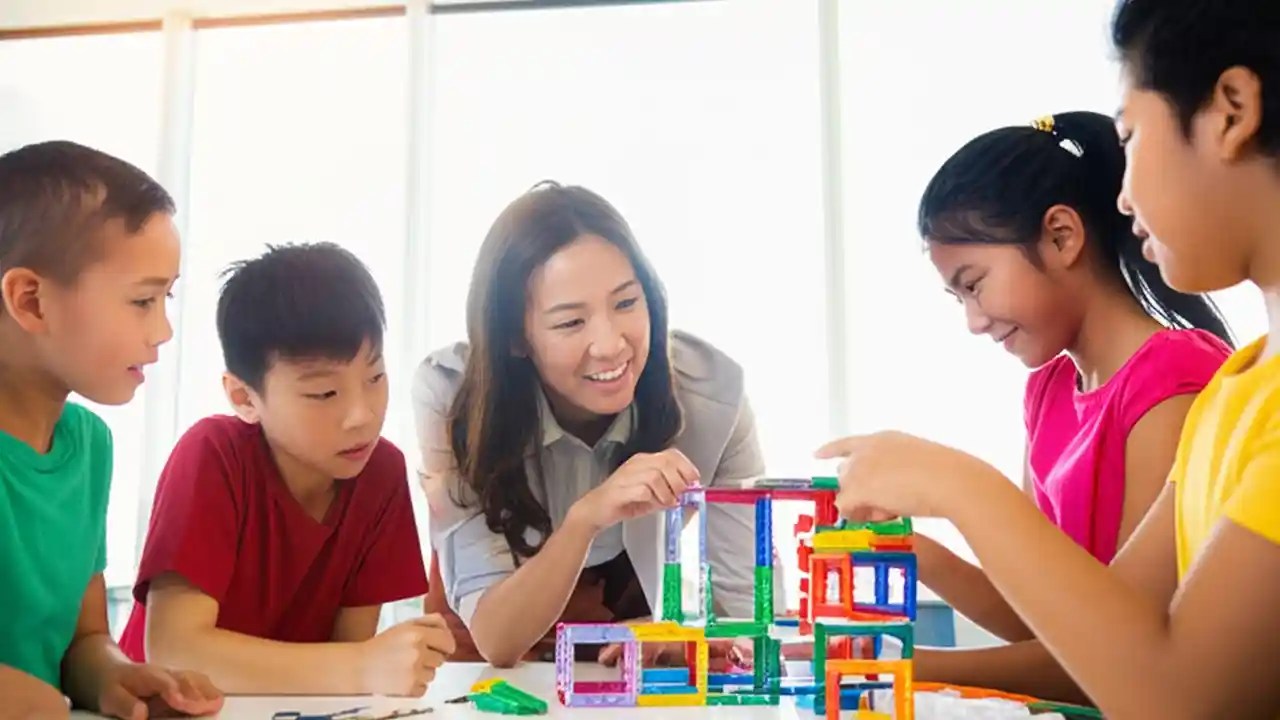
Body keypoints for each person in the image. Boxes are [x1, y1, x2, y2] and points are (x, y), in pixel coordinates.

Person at [821, 1, 1280, 715]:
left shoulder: (1190, 382)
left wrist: (959, 487)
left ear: (1231, 110)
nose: (1123, 198)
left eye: (1130, 136)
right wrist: (922, 543)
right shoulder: (1238, 390)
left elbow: (1169, 689)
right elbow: (1103, 622)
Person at [414, 182, 777, 668]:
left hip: (623, 654)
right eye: (570, 323)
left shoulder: (713, 396)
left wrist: (690, 637)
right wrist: (589, 516)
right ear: (515, 338)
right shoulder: (453, 396)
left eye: (627, 303)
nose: (610, 346)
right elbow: (497, 639)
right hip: (485, 655)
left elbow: (754, 619)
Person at [912, 110, 1231, 641]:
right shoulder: (1047, 391)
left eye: (975, 284)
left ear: (1061, 237)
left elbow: (1123, 648)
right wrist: (908, 554)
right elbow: (1041, 622)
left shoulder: (1176, 379)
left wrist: (904, 672)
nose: (974, 320)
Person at [119, 243, 454, 696]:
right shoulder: (212, 455)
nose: (362, 415)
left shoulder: (380, 471)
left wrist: (365, 665)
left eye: (375, 378)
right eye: (323, 395)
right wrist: (362, 667)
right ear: (244, 397)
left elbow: (349, 653)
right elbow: (176, 650)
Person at [0, 140, 222, 719]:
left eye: (166, 298)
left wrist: (117, 677)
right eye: (143, 301)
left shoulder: (89, 446)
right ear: (31, 301)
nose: (163, 330)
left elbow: (81, 642)